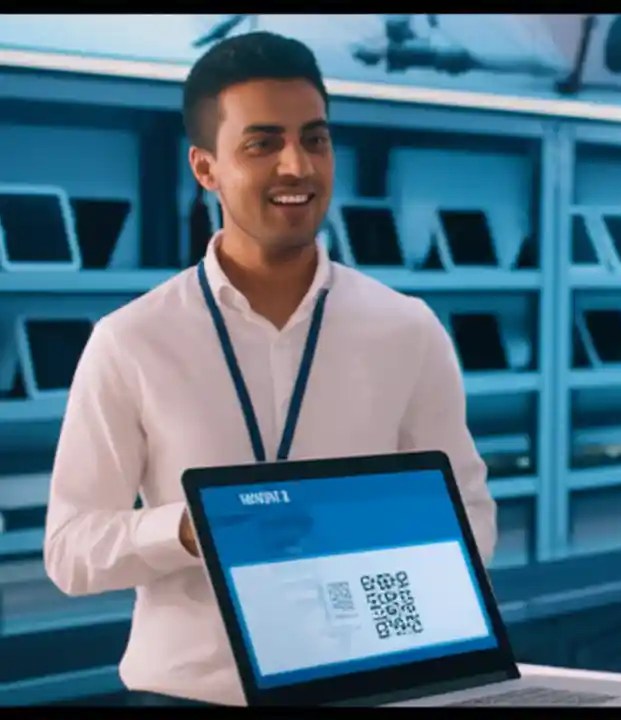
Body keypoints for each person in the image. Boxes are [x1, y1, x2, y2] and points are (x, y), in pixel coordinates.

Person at [43, 32, 496, 705]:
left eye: (315, 139)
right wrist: (187, 528)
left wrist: (383, 547)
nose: (298, 165)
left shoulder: (406, 328)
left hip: (372, 689)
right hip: (192, 697)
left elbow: (472, 516)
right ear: (206, 168)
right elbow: (70, 551)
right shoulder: (131, 340)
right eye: (263, 143)